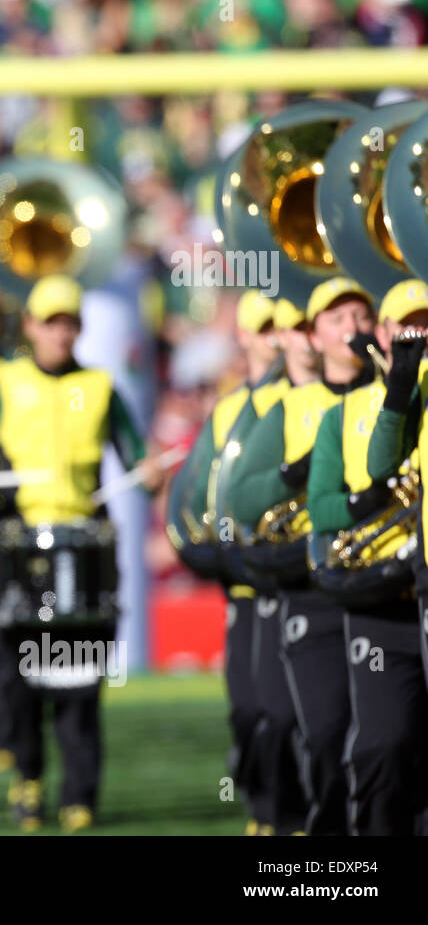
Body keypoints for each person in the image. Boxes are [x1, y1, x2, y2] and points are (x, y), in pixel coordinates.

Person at [0, 273, 156, 833]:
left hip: (85, 543)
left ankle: (80, 794)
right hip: (20, 548)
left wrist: (148, 473)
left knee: (80, 678)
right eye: (50, 322)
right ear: (30, 326)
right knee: (21, 678)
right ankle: (28, 777)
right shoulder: (4, 382)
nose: (60, 333)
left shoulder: (100, 387)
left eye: (69, 322)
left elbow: (137, 461)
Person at [227, 278, 377, 835]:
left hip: (381, 589)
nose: (352, 329)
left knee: (385, 741)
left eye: (361, 316)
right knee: (325, 733)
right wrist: (296, 471)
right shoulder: (292, 409)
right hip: (312, 593)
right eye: (336, 320)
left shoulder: (391, 395)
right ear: (314, 336)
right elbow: (241, 497)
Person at [164, 290, 290, 834]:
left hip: (296, 581)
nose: (274, 340)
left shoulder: (306, 400)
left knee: (294, 714)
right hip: (244, 585)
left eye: (280, 329)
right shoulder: (231, 411)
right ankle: (263, 806)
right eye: (263, 330)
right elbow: (201, 497)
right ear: (243, 338)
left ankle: (288, 815)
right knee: (250, 710)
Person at [308, 278, 428, 836]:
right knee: (382, 745)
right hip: (379, 603)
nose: (417, 335)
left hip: (420, 585)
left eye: (426, 324)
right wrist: (399, 392)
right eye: (406, 327)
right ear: (383, 335)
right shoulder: (346, 412)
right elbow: (379, 464)